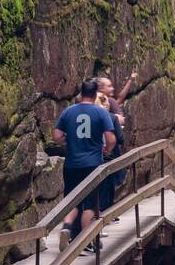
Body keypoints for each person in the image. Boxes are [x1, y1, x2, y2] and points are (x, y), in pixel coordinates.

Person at [53, 79, 116, 250]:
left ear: (81, 94)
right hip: (92, 165)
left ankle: (66, 227)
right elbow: (111, 139)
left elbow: (57, 136)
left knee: (72, 199)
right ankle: (85, 240)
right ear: (95, 94)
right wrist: (107, 150)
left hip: (72, 164)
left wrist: (70, 141)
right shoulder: (100, 113)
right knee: (90, 203)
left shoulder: (68, 112)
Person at [95, 71, 136, 218]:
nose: (112, 88)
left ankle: (104, 211)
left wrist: (130, 81)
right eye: (109, 86)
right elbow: (116, 135)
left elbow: (118, 100)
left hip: (91, 151)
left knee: (105, 183)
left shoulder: (104, 102)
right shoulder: (105, 107)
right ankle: (104, 213)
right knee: (108, 181)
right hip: (106, 150)